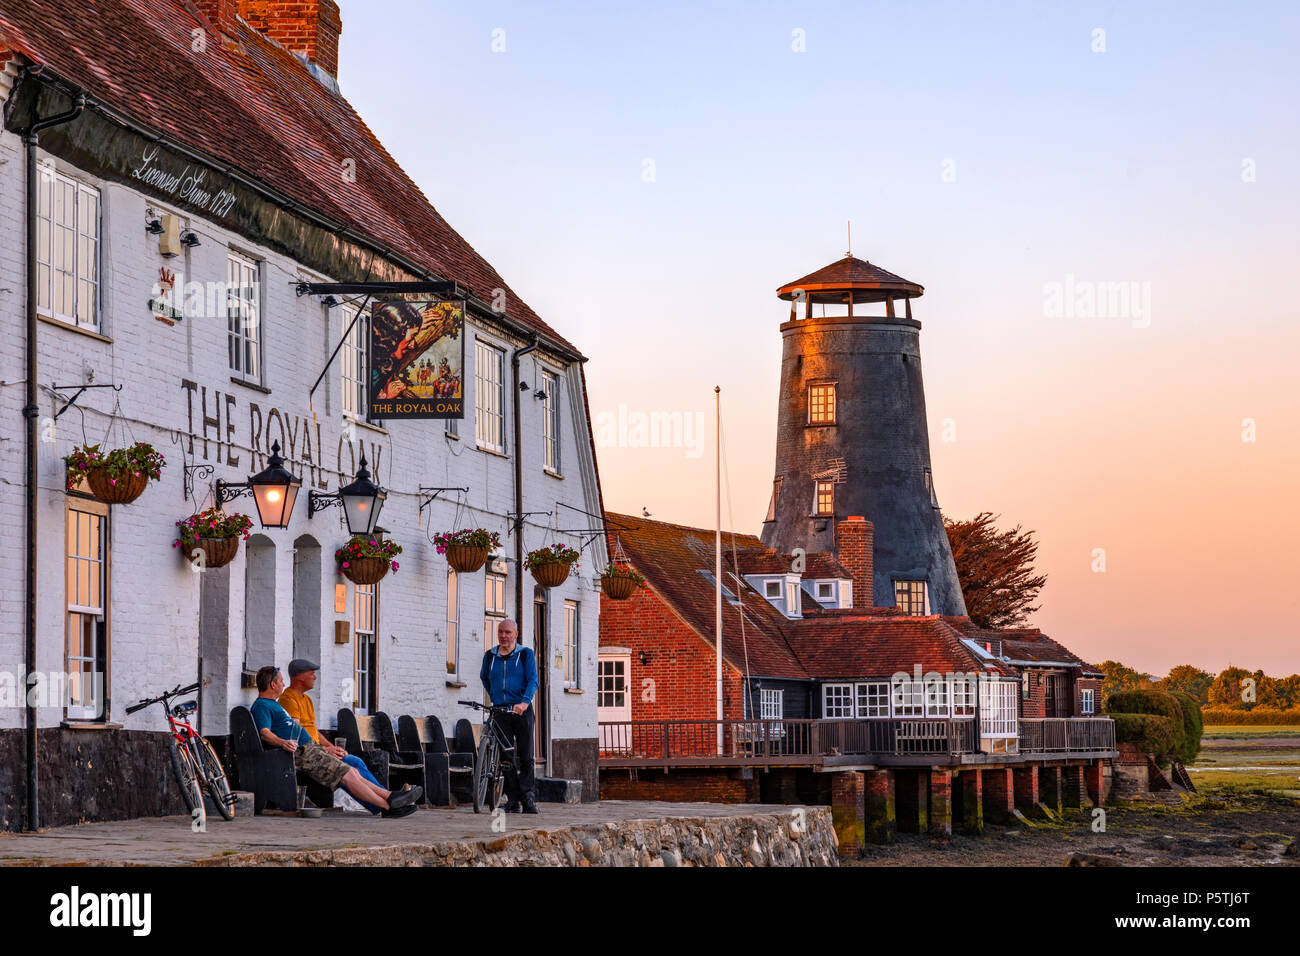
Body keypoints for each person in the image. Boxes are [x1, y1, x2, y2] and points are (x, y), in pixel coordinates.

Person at [250, 665, 422, 817]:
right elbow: (264, 733)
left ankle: (390, 797)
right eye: (280, 681)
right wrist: (282, 742)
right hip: (302, 754)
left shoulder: (274, 704)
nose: (283, 684)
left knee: (352, 771)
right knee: (347, 775)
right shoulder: (262, 706)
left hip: (310, 749)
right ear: (272, 684)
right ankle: (388, 807)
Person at [278, 658, 382, 814]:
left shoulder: (307, 700)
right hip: (308, 754)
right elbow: (297, 733)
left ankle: (385, 800)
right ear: (299, 677)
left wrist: (332, 747)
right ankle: (381, 804)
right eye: (311, 674)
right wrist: (326, 750)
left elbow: (314, 732)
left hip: (318, 750)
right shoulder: (289, 699)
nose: (315, 677)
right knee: (352, 763)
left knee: (354, 762)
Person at [478, 619, 539, 813]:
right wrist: (495, 697)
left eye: (508, 632)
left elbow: (533, 681)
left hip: (521, 710)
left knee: (526, 755)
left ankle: (528, 798)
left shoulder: (525, 654)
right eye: (501, 632)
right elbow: (484, 678)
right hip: (501, 711)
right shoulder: (490, 656)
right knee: (506, 757)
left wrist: (524, 702)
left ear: (516, 634)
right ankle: (512, 799)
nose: (504, 636)